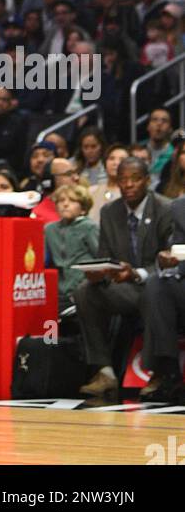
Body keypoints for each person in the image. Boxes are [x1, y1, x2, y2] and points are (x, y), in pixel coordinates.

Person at [74, 157, 174, 399]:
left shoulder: (165, 208)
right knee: (84, 291)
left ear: (147, 181)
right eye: (123, 180)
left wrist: (138, 274)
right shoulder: (110, 211)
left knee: (154, 290)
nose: (129, 185)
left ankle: (159, 372)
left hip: (159, 285)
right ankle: (104, 372)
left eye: (135, 179)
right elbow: (104, 256)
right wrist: (100, 272)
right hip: (123, 286)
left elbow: (171, 257)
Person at [139, 194, 185, 402]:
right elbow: (177, 248)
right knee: (156, 285)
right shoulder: (179, 207)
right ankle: (168, 370)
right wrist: (167, 259)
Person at [44, 183, 100, 310]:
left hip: (85, 286)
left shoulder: (89, 227)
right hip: (59, 289)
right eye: (61, 200)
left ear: (83, 208)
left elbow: (100, 256)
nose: (65, 204)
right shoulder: (49, 229)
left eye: (72, 200)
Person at [88, 142, 129, 223]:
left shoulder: (131, 194)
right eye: (111, 158)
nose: (115, 163)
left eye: (122, 159)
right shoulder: (91, 191)